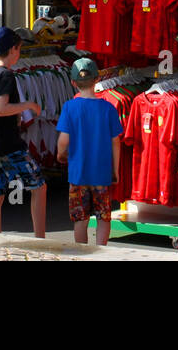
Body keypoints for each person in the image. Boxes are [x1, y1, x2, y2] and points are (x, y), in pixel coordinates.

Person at [0, 27, 46, 237]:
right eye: (19, 49)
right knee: (38, 187)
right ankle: (40, 236)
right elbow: (1, 108)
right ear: (14, 49)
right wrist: (29, 105)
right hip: (9, 145)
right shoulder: (6, 75)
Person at [56, 57, 124, 245]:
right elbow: (115, 142)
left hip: (78, 174)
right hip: (102, 173)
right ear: (97, 80)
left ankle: (81, 254)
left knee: (80, 217)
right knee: (103, 216)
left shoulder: (70, 107)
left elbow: (63, 141)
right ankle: (101, 252)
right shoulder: (108, 108)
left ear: (73, 82)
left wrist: (61, 155)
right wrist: (115, 169)